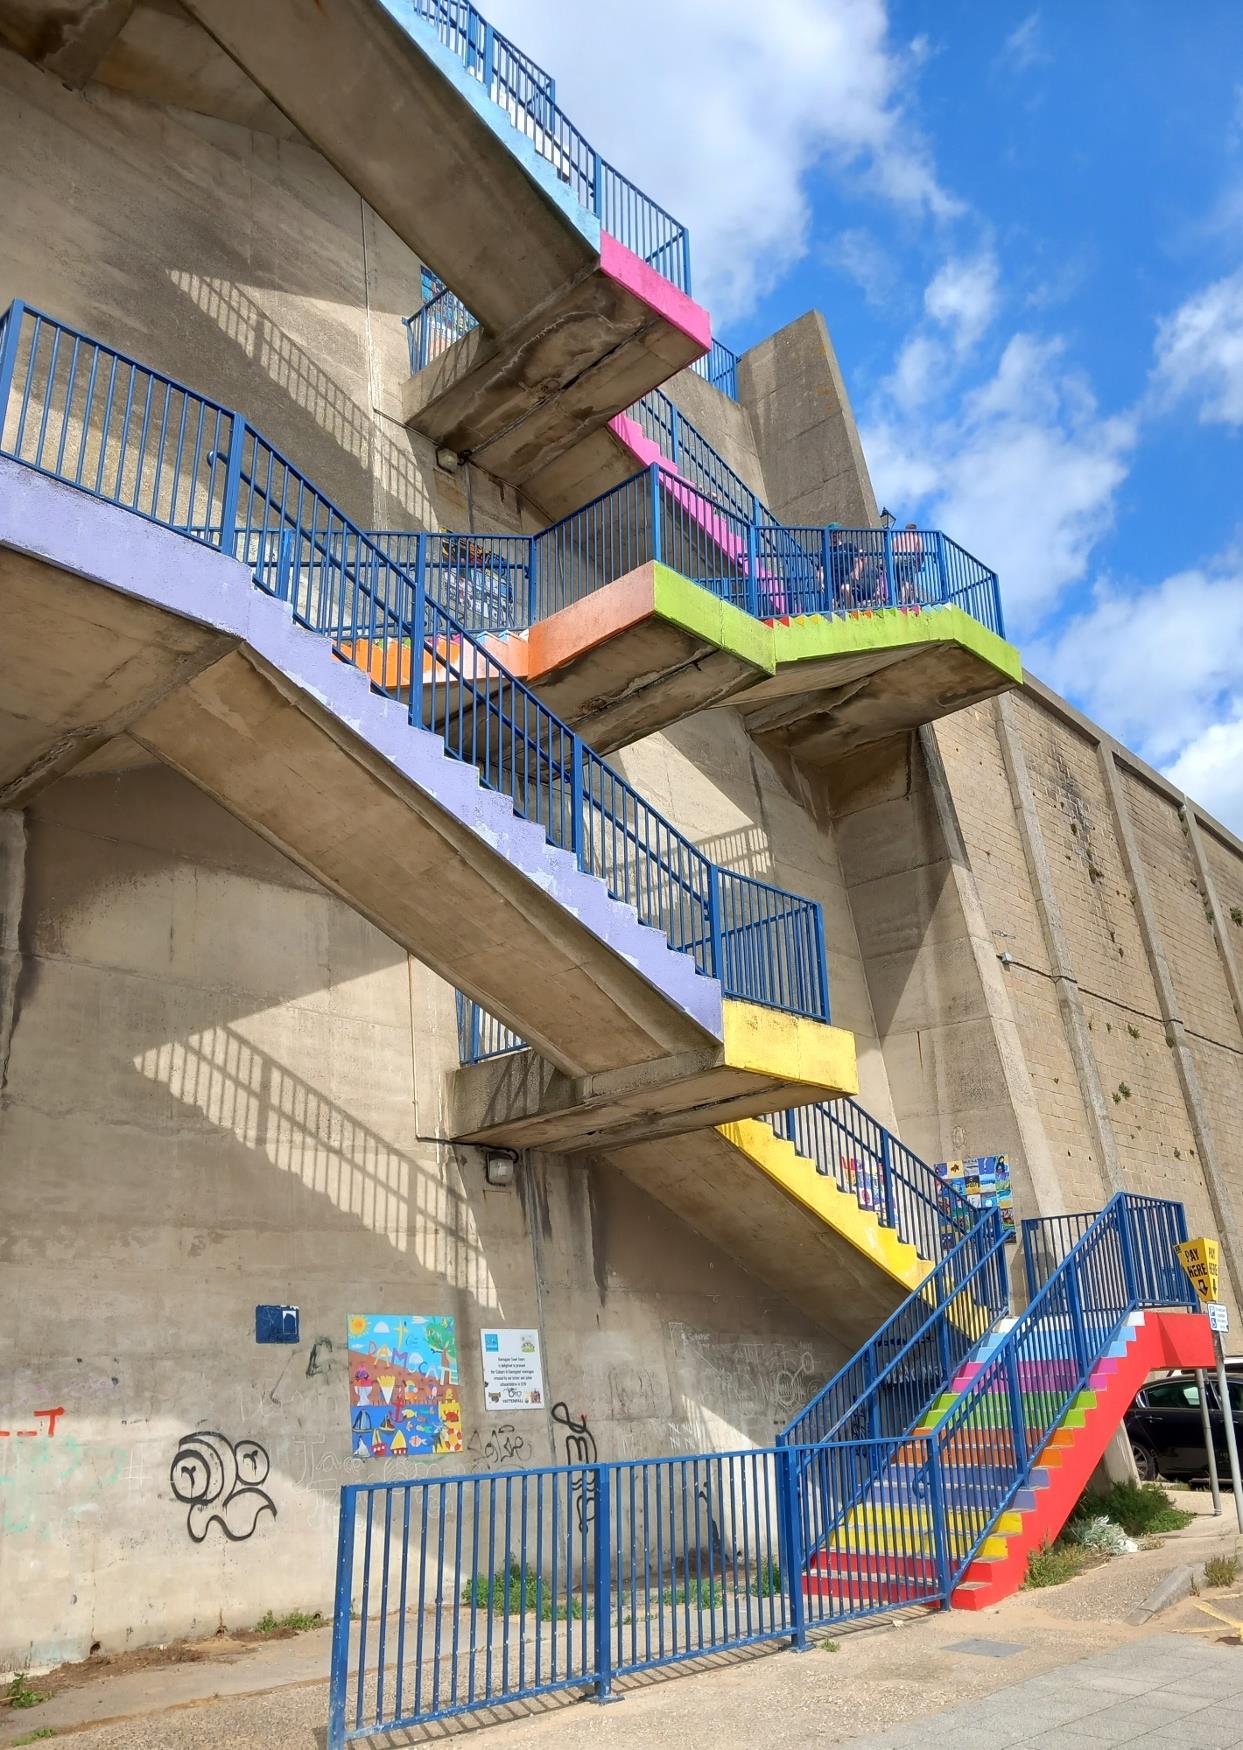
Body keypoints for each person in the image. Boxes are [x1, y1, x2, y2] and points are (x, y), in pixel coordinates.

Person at [892, 523, 925, 607]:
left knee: (897, 582)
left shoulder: (897, 538)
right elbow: (920, 552)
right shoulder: (917, 538)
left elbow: (891, 550)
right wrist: (918, 565)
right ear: (915, 531)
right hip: (908, 559)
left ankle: (895, 600)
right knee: (907, 582)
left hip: (895, 560)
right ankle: (903, 603)